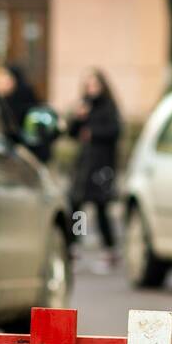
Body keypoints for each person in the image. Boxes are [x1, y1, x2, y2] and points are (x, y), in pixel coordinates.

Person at [66, 68, 122, 260]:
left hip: (101, 165)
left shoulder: (108, 107)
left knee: (101, 207)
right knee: (77, 205)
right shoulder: (84, 106)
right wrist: (78, 117)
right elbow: (72, 133)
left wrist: (93, 133)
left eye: (94, 84)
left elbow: (114, 131)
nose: (91, 88)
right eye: (88, 85)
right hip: (83, 165)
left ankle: (109, 248)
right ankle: (74, 244)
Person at [0, 64, 49, 163]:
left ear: (13, 81)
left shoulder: (25, 101)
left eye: (2, 81)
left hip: (28, 156)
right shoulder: (1, 102)